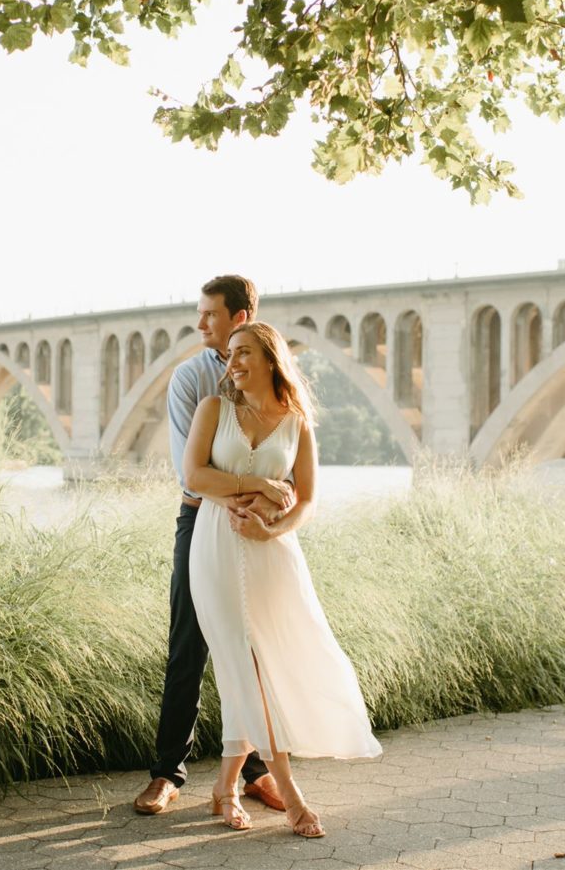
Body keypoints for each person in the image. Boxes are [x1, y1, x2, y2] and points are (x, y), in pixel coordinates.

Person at [182, 320, 381, 837]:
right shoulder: (214, 409)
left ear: (272, 359)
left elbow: (308, 499)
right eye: (229, 355)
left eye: (244, 352)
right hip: (217, 547)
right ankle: (291, 795)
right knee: (241, 662)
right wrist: (260, 483)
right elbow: (195, 477)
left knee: (257, 666)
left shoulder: (297, 421)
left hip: (272, 551)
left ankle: (225, 787)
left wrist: (275, 530)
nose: (234, 363)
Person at [133, 276, 289, 817]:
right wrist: (262, 489)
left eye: (209, 315)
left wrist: (271, 497)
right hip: (200, 524)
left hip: (254, 529)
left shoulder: (275, 380)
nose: (200, 325)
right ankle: (167, 774)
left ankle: (254, 770)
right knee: (189, 645)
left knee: (251, 647)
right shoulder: (190, 380)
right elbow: (192, 477)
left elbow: (288, 470)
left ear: (239, 318)